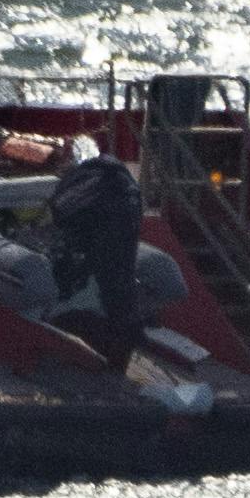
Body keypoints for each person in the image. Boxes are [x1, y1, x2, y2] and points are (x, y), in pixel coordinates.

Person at [41, 146, 143, 357]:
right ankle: (124, 342)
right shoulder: (117, 180)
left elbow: (62, 215)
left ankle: (112, 346)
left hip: (104, 234)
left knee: (110, 283)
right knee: (120, 283)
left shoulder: (81, 182)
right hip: (122, 229)